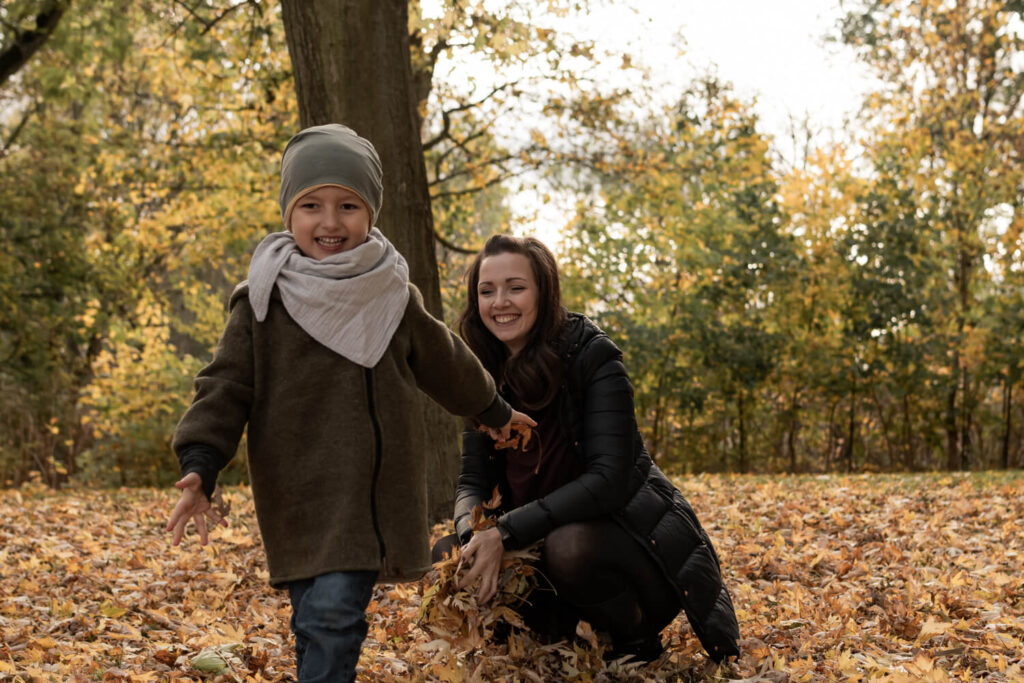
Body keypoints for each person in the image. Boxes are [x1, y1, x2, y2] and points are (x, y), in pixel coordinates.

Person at [165, 124, 534, 683]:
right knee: (314, 619)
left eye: (348, 205)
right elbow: (224, 387)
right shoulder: (263, 301)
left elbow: (445, 360)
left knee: (335, 615)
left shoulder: (388, 293)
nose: (330, 222)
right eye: (311, 205)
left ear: (371, 214)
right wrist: (200, 464)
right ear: (289, 213)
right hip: (297, 493)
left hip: (368, 496)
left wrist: (495, 410)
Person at [433, 234, 740, 664]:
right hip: (538, 548)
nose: (500, 301)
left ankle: (634, 641)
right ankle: (558, 640)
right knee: (445, 553)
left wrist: (503, 532)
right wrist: (475, 536)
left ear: (544, 291)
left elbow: (608, 481)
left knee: (568, 546)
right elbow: (472, 481)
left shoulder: (592, 356)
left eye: (516, 287)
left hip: (627, 555)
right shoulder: (481, 375)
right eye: (487, 291)